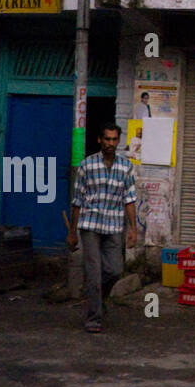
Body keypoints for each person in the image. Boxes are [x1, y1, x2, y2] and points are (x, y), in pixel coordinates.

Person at [67, 123, 138, 333]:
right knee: (94, 274)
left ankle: (100, 300)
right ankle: (94, 318)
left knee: (115, 270)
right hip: (90, 226)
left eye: (114, 140)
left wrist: (133, 229)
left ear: (119, 141)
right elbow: (77, 200)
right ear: (100, 140)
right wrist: (72, 232)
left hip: (114, 225)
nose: (111, 144)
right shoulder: (87, 165)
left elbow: (130, 199)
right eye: (107, 139)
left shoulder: (126, 167)